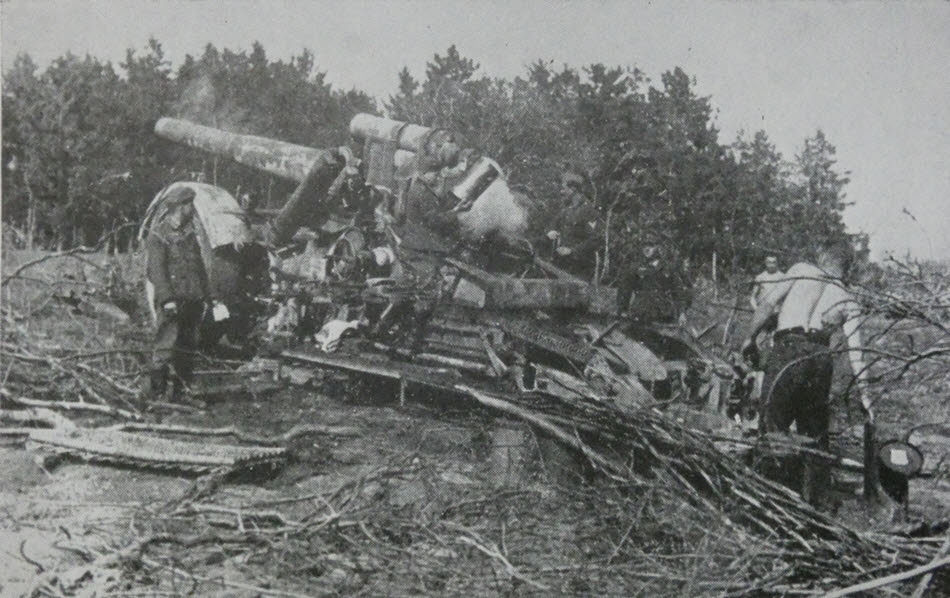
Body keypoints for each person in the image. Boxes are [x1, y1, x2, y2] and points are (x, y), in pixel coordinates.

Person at [739, 241, 869, 505]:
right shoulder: (848, 297)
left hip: (789, 351)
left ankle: (765, 499)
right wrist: (867, 397)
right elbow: (857, 353)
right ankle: (811, 504)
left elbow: (766, 304)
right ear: (848, 268)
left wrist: (749, 339)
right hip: (820, 359)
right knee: (814, 435)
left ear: (822, 256)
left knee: (773, 425)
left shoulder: (802, 270)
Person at [145, 187, 210, 402]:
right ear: (180, 207)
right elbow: (157, 271)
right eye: (189, 204)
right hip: (173, 301)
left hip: (192, 299)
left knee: (187, 348)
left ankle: (181, 395)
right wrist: (167, 300)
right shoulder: (158, 235)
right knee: (165, 346)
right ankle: (157, 395)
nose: (192, 209)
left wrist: (207, 296)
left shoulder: (190, 233)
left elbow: (198, 267)